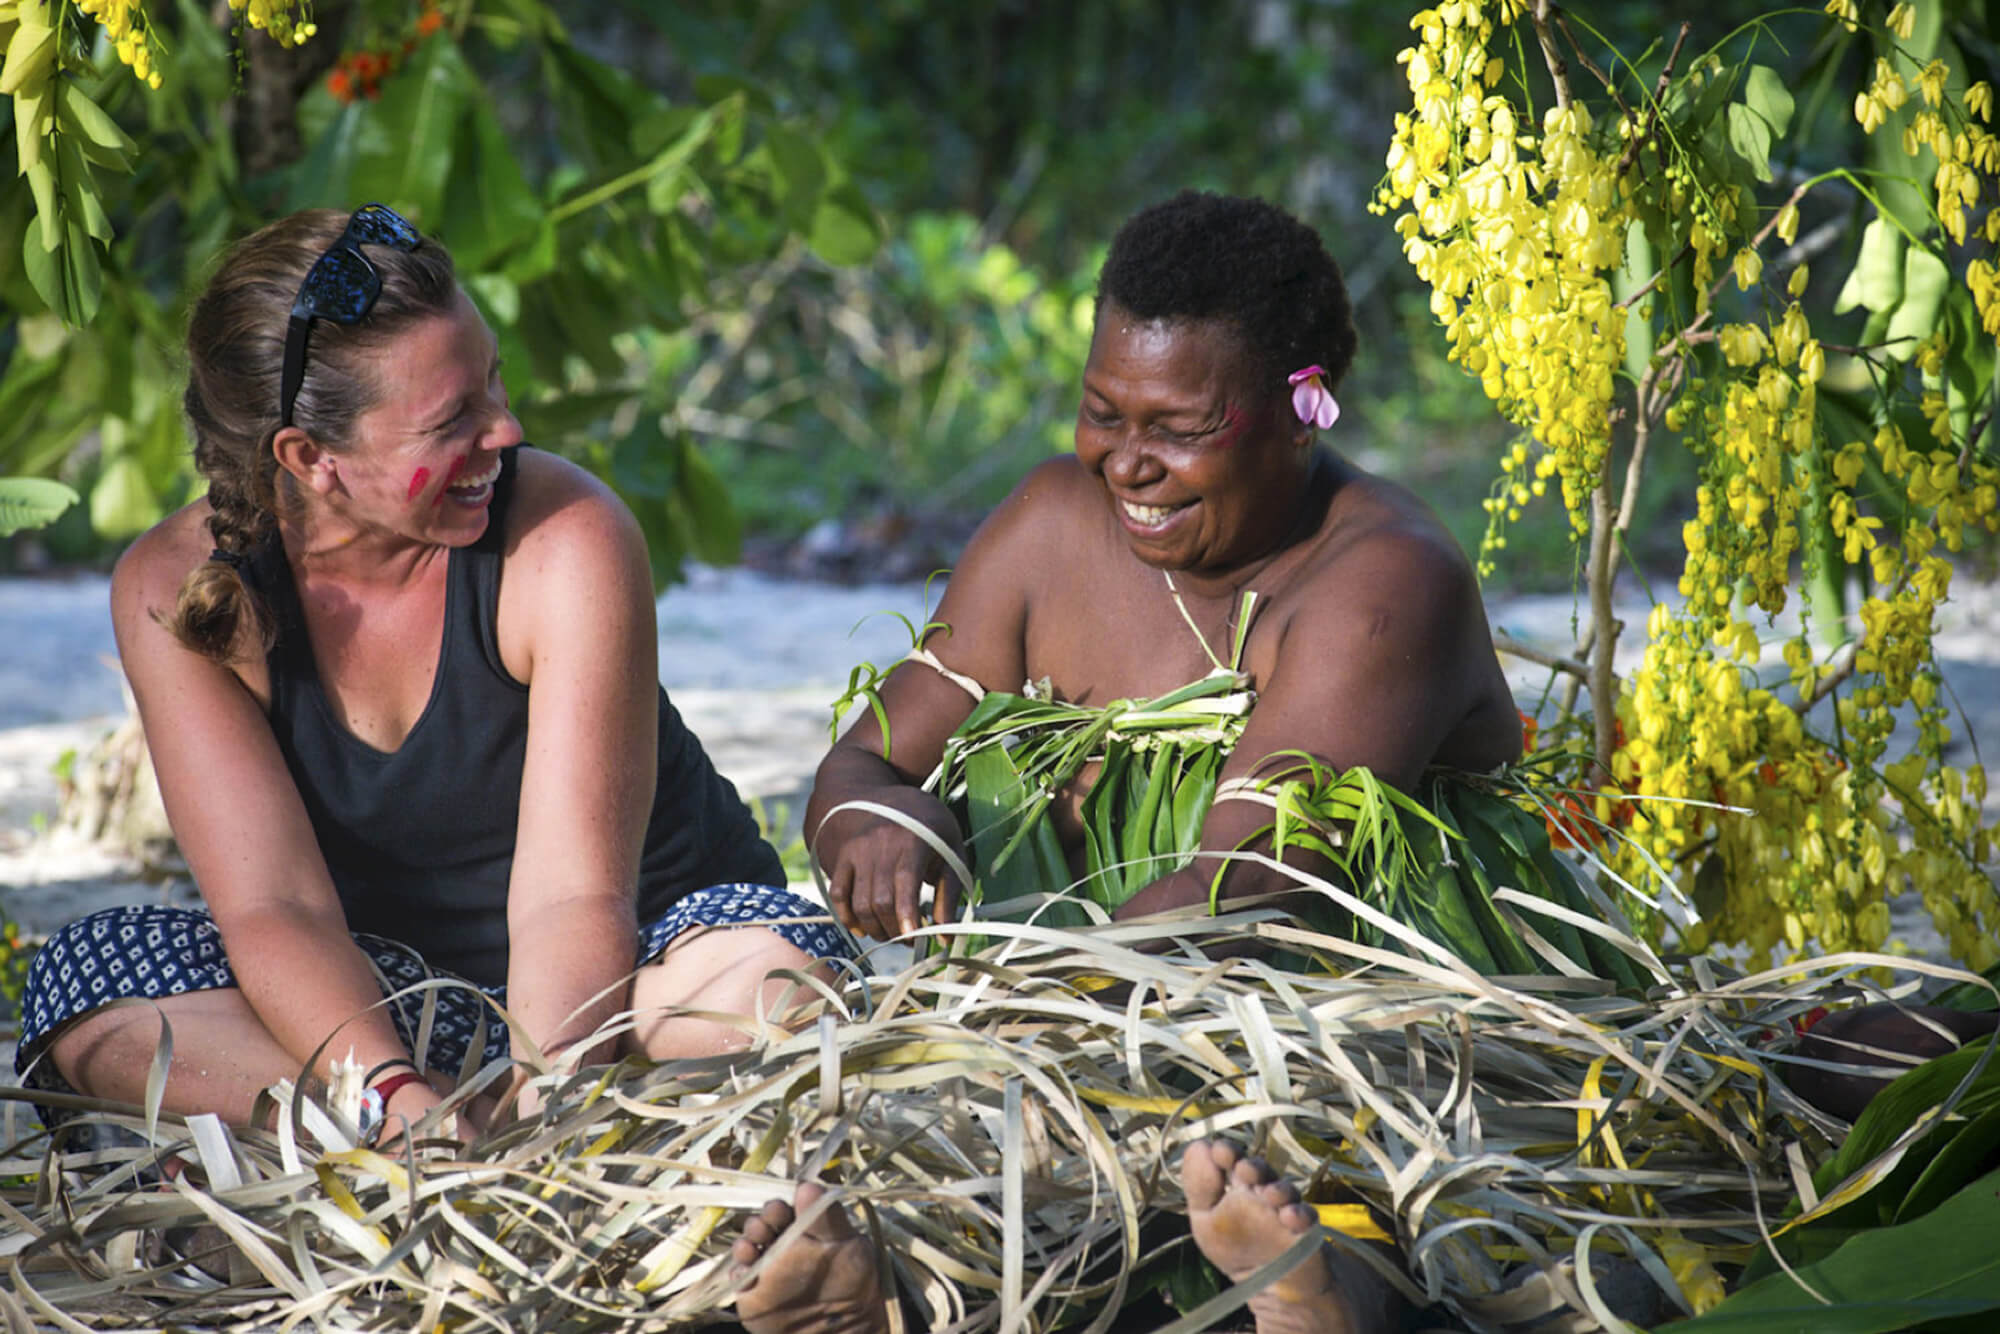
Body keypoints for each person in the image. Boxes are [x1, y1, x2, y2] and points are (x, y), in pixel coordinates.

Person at [14, 205, 849, 1145]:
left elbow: (574, 901)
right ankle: (413, 1131)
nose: (508, 429)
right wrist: (388, 1094)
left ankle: (480, 1123)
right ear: (310, 459)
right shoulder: (174, 589)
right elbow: (274, 909)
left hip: (646, 974)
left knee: (789, 979)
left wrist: (550, 1102)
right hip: (388, 1002)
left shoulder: (567, 536)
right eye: (455, 418)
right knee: (85, 990)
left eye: (492, 382)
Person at [806, 189, 1526, 952]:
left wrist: (1013, 1013)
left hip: (1340, 1028)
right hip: (1052, 1012)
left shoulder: (1387, 585)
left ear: (1299, 416)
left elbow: (1244, 890)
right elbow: (861, 764)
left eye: (1179, 429)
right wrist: (877, 821)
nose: (1124, 465)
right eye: (1103, 414)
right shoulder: (1050, 529)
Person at [728, 1141, 1398, 1334]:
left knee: (1370, 1201)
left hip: (1304, 1087)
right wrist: (865, 793)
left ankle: (1312, 1304)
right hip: (1052, 1153)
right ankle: (895, 1313)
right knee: (1001, 1230)